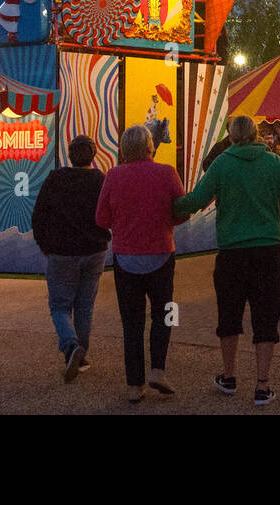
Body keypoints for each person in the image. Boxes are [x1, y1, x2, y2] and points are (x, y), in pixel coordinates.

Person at [173, 114, 280, 406]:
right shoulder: (273, 162)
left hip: (232, 252)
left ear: (230, 137)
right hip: (268, 251)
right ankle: (262, 385)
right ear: (257, 135)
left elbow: (195, 201)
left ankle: (229, 377)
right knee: (266, 316)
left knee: (229, 315)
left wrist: (166, 207)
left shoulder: (222, 164)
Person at [95, 125, 187, 404]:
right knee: (165, 313)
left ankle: (135, 385)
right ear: (151, 146)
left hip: (125, 260)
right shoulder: (167, 172)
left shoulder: (113, 176)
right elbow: (181, 212)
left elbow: (101, 219)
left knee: (131, 322)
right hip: (162, 255)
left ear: (123, 148)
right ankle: (158, 369)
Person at [30, 135, 110, 382]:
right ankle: (81, 354)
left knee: (60, 306)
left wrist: (45, 245)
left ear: (70, 154)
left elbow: (38, 215)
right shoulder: (100, 180)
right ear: (94, 155)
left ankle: (70, 346)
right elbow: (108, 213)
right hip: (95, 250)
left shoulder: (56, 179)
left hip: (61, 252)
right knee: (85, 305)